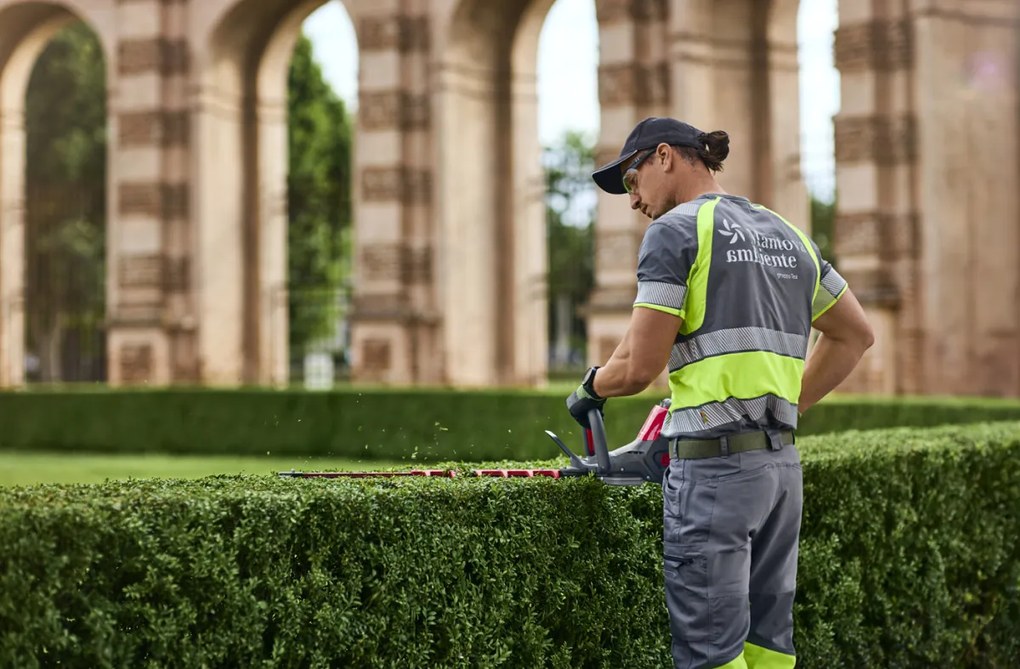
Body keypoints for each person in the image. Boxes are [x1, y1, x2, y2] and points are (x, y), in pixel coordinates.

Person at [566, 117, 874, 669]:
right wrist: (784, 406)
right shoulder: (787, 233)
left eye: (633, 180)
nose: (633, 200)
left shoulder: (675, 231)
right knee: (768, 648)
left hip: (715, 479)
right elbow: (856, 333)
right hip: (780, 472)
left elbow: (639, 367)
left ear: (665, 157)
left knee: (711, 653)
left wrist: (592, 387)